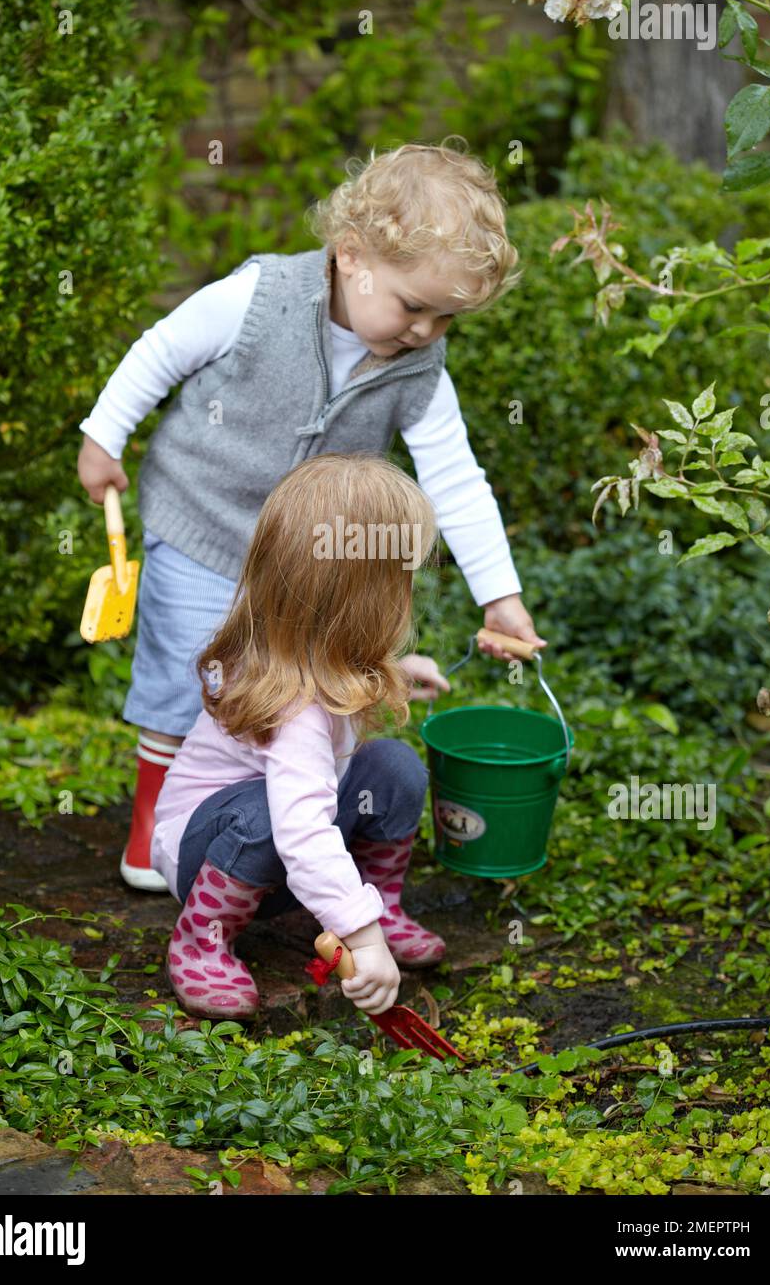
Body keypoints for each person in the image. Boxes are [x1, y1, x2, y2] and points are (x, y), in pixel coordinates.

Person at [77, 137, 547, 892]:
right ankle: (154, 832)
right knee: (185, 673)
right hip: (201, 523)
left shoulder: (418, 367)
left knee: (288, 686)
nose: (426, 331)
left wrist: (502, 596)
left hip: (302, 562)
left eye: (446, 319)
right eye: (414, 307)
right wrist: (103, 436)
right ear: (352, 254)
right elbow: (160, 351)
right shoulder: (258, 298)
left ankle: (258, 826)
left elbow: (454, 478)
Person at [154, 452, 455, 1019]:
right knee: (271, 812)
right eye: (402, 580)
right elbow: (302, 831)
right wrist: (361, 942)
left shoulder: (304, 645)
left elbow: (338, 679)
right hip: (212, 856)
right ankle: (202, 939)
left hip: (281, 856)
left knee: (393, 768)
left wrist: (401, 670)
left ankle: (375, 903)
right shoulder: (293, 709)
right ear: (364, 602)